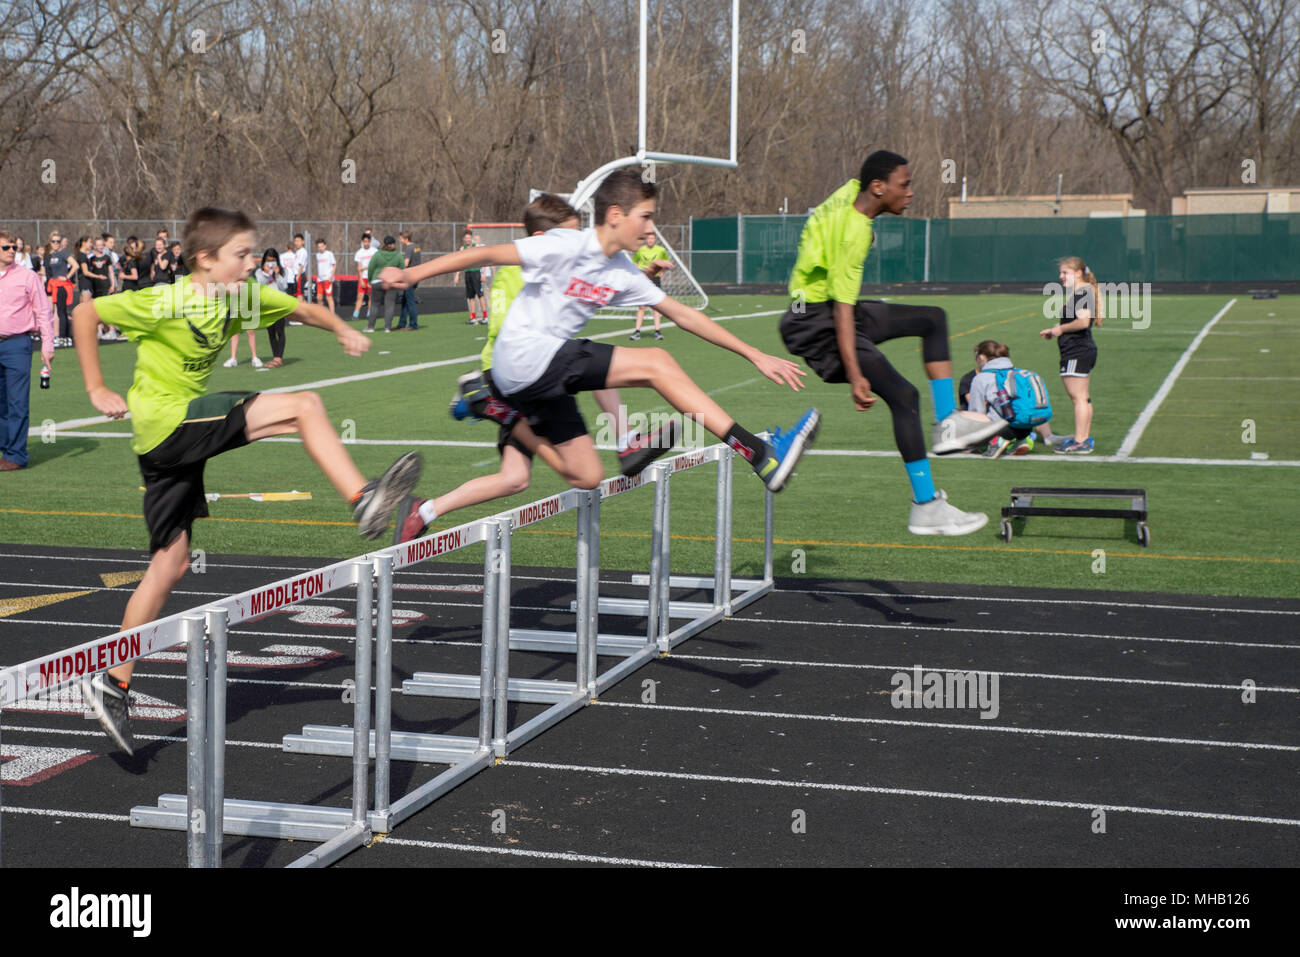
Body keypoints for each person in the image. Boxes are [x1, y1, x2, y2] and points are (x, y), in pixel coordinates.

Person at [71, 207, 423, 755]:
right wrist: (95, 387)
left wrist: (343, 328)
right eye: (240, 255)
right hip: (166, 425)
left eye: (254, 254)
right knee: (304, 405)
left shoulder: (241, 298)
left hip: (168, 448)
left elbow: (303, 309)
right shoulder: (164, 301)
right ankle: (362, 498)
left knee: (171, 564)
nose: (251, 264)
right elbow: (84, 313)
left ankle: (111, 681)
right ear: (204, 259)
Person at [382, 170, 819, 498]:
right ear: (615, 215)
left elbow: (684, 315)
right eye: (645, 218)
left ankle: (503, 412)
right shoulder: (563, 244)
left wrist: (753, 354)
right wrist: (411, 273)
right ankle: (761, 455)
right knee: (657, 363)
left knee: (588, 477)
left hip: (536, 379)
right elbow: (486, 252)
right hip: (523, 354)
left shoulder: (623, 273)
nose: (651, 229)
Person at [394, 195, 681, 541]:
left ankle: (423, 511)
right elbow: (506, 337)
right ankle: (621, 439)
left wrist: (636, 277)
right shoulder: (518, 275)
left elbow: (592, 291)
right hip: (513, 382)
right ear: (547, 240)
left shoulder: (567, 264)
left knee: (515, 478)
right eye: (572, 237)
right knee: (595, 369)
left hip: (540, 376)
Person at [778, 150, 1002, 536]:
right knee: (904, 396)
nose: (911, 192)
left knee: (933, 319)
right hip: (816, 324)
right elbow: (843, 313)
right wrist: (854, 374)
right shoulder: (855, 233)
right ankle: (926, 506)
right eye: (905, 184)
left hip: (822, 307)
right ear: (878, 187)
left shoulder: (852, 191)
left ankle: (948, 422)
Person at [0, 229, 56, 471]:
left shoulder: (28, 276)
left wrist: (47, 344)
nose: (12, 250)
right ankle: (6, 447)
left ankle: (15, 455)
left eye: (15, 247)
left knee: (17, 402)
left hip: (17, 343)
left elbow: (43, 311)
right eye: (6, 247)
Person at [1040, 256, 1101, 454]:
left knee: (1079, 398)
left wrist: (1061, 329)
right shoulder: (1083, 291)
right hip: (1079, 349)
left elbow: (1083, 322)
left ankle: (1080, 441)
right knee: (1083, 397)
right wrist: (1056, 330)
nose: (1061, 276)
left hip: (1077, 350)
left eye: (1065, 272)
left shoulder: (1083, 292)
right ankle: (1082, 438)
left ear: (1077, 273)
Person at [959, 340, 1057, 450]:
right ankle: (1020, 441)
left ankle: (997, 441)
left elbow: (976, 411)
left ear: (981, 357)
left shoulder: (981, 378)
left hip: (1003, 428)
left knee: (962, 415)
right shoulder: (1019, 374)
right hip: (1027, 427)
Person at [630, 236, 672, 340]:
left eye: (652, 239)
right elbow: (635, 262)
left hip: (655, 279)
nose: (650, 240)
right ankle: (637, 332)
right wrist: (637, 271)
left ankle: (657, 331)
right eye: (648, 239)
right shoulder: (640, 250)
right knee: (641, 306)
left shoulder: (660, 250)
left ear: (655, 240)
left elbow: (666, 262)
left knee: (656, 306)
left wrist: (662, 271)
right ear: (646, 240)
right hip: (643, 279)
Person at [255, 247, 289, 368]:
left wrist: (277, 274)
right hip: (267, 304)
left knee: (280, 330)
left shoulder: (283, 271)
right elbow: (260, 285)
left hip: (278, 304)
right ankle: (275, 357)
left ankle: (278, 358)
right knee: (271, 332)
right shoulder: (259, 272)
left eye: (273, 260)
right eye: (268, 260)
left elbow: (283, 286)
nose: (270, 263)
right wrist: (265, 273)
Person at [365, 235, 405, 333]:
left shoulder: (377, 254)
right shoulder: (398, 255)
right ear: (394, 244)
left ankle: (370, 327)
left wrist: (370, 280)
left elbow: (371, 268)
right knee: (390, 305)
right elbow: (402, 269)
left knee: (374, 304)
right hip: (391, 282)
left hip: (377, 281)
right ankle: (387, 328)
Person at [44, 233, 76, 347]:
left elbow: (75, 265)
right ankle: (65, 337)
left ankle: (63, 337)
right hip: (54, 286)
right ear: (50, 242)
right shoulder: (51, 256)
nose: (56, 243)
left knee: (61, 312)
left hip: (62, 286)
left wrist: (67, 277)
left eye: (58, 241)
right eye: (53, 241)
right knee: (59, 311)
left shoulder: (63, 253)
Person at [452, 229, 487, 324]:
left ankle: (485, 317)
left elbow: (483, 260)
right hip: (468, 274)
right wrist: (457, 275)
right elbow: (460, 263)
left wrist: (483, 273)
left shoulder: (476, 247)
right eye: (466, 238)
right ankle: (473, 317)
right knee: (470, 297)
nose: (468, 239)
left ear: (471, 238)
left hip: (476, 273)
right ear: (464, 239)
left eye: (469, 238)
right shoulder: (462, 249)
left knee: (480, 295)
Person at [395, 231, 420, 330]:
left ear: (406, 239)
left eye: (401, 239)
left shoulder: (409, 249)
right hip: (417, 275)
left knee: (410, 301)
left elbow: (405, 263)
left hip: (410, 277)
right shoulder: (416, 247)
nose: (400, 240)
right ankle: (402, 323)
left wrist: (397, 268)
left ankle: (413, 325)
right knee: (405, 301)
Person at [353, 233, 376, 319]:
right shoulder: (359, 253)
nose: (366, 243)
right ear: (362, 242)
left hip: (372, 277)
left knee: (371, 295)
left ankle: (369, 314)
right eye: (365, 241)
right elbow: (359, 267)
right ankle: (355, 315)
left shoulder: (374, 251)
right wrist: (361, 279)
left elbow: (375, 264)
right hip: (363, 277)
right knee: (360, 296)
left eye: (368, 241)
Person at [314, 238, 337, 315]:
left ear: (325, 246)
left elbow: (334, 265)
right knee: (319, 298)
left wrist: (331, 276)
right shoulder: (317, 255)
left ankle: (332, 315)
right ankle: (322, 314)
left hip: (327, 279)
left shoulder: (329, 254)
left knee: (328, 297)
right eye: (319, 247)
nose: (320, 248)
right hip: (320, 279)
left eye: (322, 246)